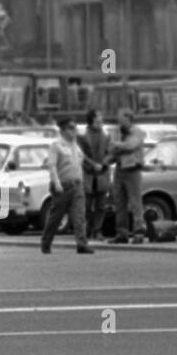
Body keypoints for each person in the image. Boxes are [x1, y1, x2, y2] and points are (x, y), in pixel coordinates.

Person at [41, 117, 94, 255]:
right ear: (63, 130)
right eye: (70, 128)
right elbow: (52, 166)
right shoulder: (57, 145)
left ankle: (81, 244)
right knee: (56, 217)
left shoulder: (76, 146)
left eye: (75, 128)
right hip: (63, 186)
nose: (74, 131)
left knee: (79, 216)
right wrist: (56, 183)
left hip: (77, 185)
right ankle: (46, 242)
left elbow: (80, 163)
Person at [109, 108, 147, 244]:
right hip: (119, 169)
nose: (118, 121)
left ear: (128, 118)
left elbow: (131, 145)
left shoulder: (138, 131)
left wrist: (117, 145)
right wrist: (117, 146)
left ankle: (138, 233)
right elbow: (111, 149)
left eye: (121, 118)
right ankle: (122, 233)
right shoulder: (117, 131)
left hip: (133, 170)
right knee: (119, 203)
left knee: (135, 202)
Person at [79, 109, 112, 240]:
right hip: (87, 174)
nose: (101, 119)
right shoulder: (82, 136)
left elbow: (110, 152)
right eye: (99, 116)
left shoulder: (106, 136)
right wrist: (93, 165)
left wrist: (104, 163)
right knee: (86, 205)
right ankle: (87, 228)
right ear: (92, 119)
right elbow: (81, 154)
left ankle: (97, 230)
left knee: (101, 205)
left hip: (102, 174)